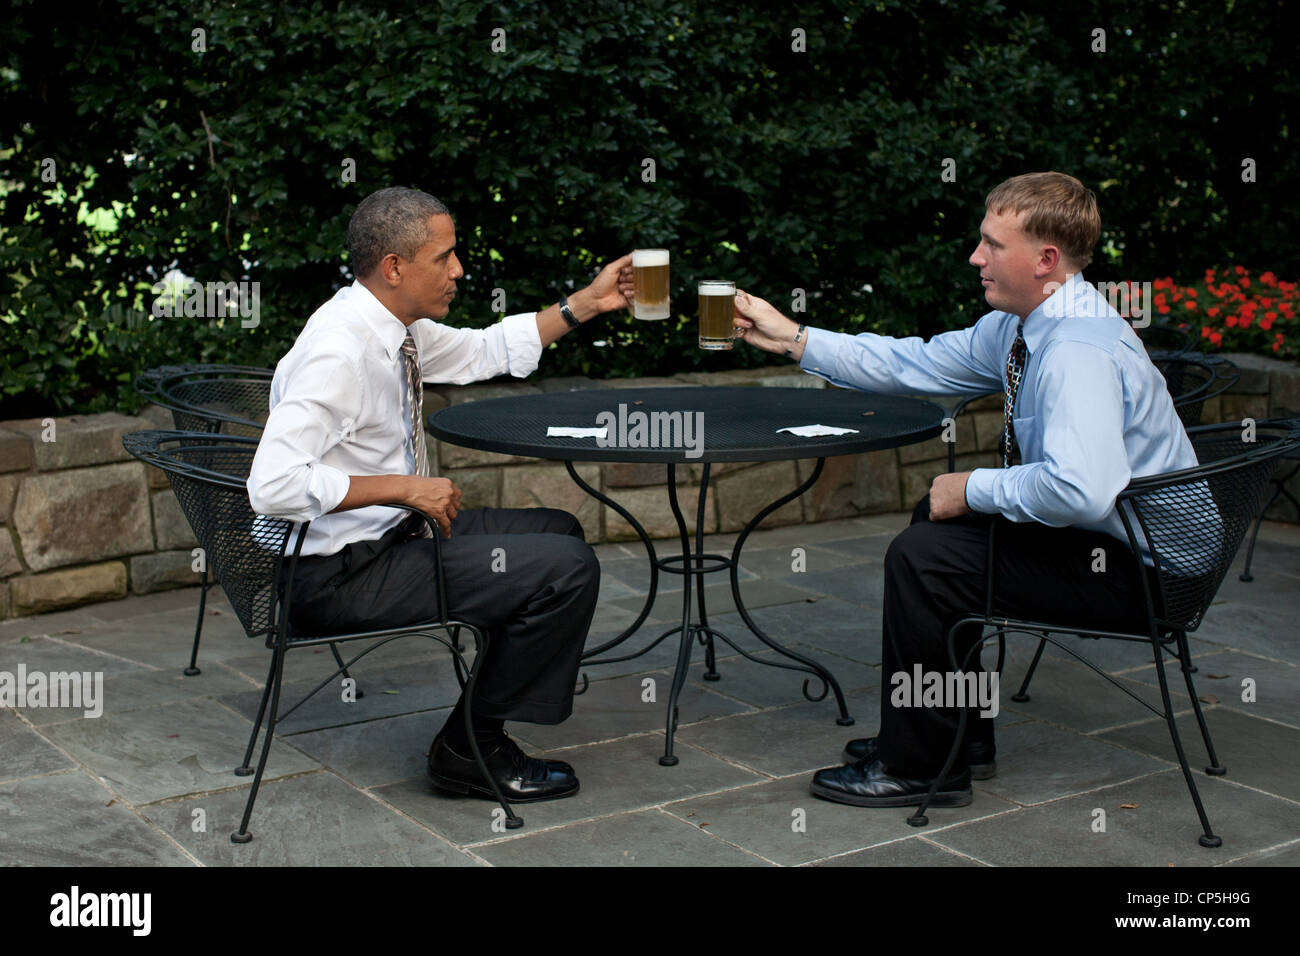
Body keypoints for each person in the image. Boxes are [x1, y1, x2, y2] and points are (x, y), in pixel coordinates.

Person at [732, 171, 1197, 808]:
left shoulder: (1076, 351)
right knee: (936, 524)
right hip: (1111, 538)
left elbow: (1082, 491)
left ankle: (924, 768)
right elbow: (912, 362)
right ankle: (956, 735)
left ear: (1046, 260)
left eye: (991, 245)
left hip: (1146, 571)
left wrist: (973, 486)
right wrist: (793, 337)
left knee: (926, 559)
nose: (976, 257)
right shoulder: (1024, 324)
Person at [248, 186, 633, 803]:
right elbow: (273, 483)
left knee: (558, 532)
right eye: (445, 256)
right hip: (335, 577)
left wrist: (588, 303)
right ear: (395, 267)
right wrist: (405, 488)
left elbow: (485, 350)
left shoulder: (392, 327)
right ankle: (468, 750)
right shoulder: (341, 351)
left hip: (385, 544)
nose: (458, 269)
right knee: (564, 571)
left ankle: (491, 686)